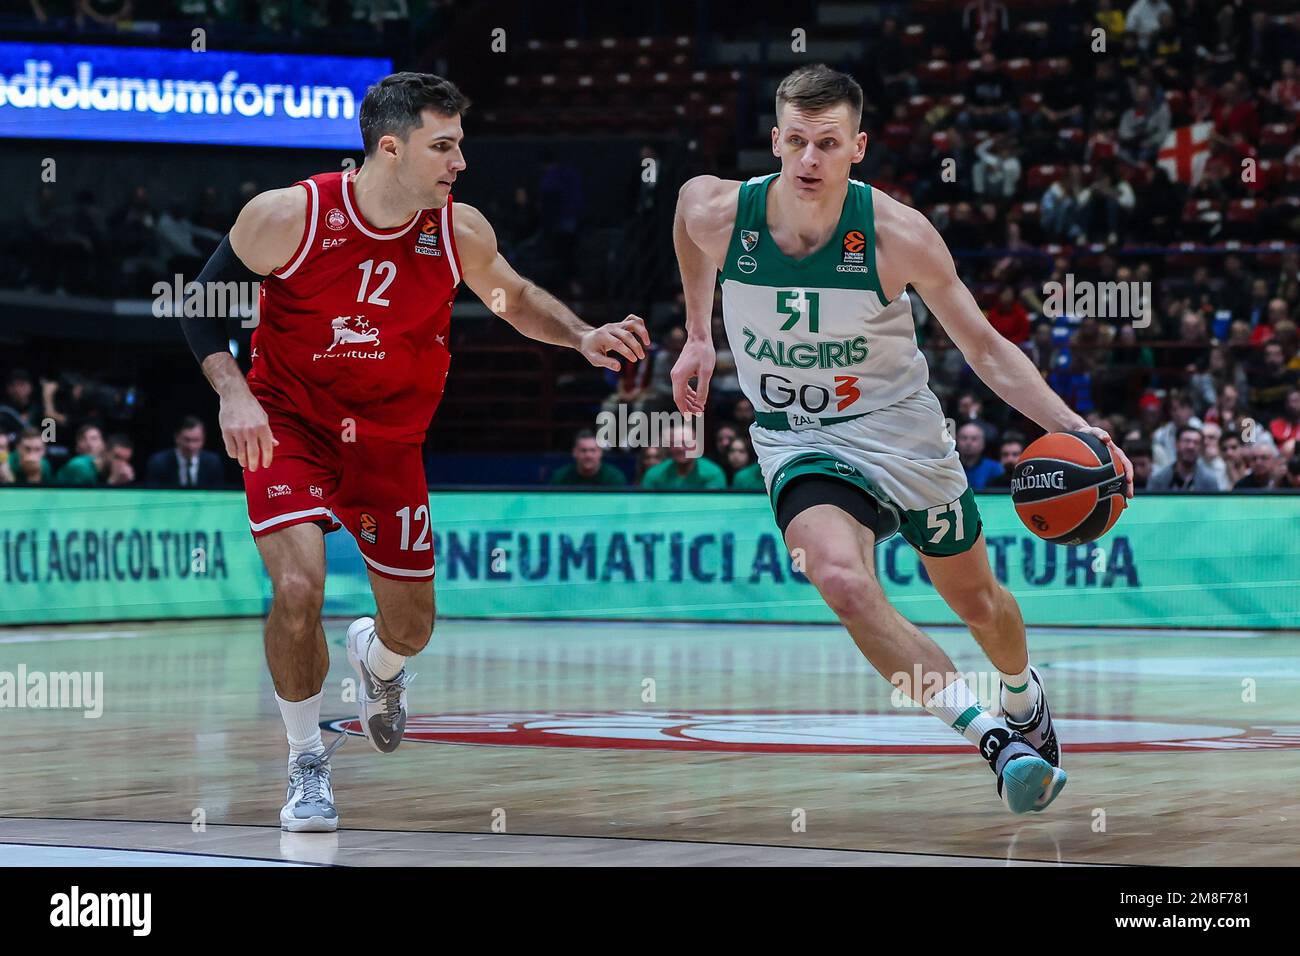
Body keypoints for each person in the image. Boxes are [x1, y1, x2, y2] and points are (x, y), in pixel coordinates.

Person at [180, 73, 649, 832]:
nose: (460, 162)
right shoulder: (287, 216)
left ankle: (379, 661)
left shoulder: (458, 230)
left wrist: (582, 335)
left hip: (392, 444)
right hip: (291, 425)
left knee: (414, 628)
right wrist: (232, 390)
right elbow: (201, 305)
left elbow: (516, 298)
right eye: (444, 146)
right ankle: (305, 761)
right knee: (297, 588)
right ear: (389, 149)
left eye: (459, 145)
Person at [672, 64, 1132, 814]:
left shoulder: (898, 233)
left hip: (904, 434)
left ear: (858, 146)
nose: (809, 160)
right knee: (842, 580)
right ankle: (995, 741)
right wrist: (697, 334)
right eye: (795, 141)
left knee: (978, 602)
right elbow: (686, 228)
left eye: (827, 143)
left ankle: (1023, 697)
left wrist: (1074, 429)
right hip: (799, 436)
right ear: (776, 140)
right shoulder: (718, 209)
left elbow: (983, 349)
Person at [640, 423, 727, 489]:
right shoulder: (654, 474)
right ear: (669, 447)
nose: (681, 448)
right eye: (675, 443)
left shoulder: (713, 473)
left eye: (686, 443)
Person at [145, 416, 225, 488]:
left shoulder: (213, 462)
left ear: (203, 439)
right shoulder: (158, 462)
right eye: (187, 440)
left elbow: (218, 491)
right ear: (176, 438)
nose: (191, 446)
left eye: (196, 440)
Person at [1147, 427, 1220, 491]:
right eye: (1187, 441)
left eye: (1196, 442)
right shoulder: (1158, 480)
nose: (1191, 446)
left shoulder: (1209, 481)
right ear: (1176, 444)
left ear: (1201, 448)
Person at [55, 428, 135, 487]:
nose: (122, 464)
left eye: (126, 460)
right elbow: (86, 503)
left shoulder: (112, 472)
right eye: (117, 457)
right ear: (105, 452)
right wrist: (113, 481)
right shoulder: (81, 467)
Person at [550, 430, 627, 487]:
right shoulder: (561, 477)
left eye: (593, 450)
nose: (588, 455)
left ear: (600, 453)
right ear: (574, 452)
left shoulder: (614, 478)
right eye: (583, 451)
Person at [957, 422, 1002, 490]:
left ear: (983, 443)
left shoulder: (995, 468)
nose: (968, 443)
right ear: (956, 441)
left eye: (974, 439)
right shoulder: (950, 467)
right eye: (964, 438)